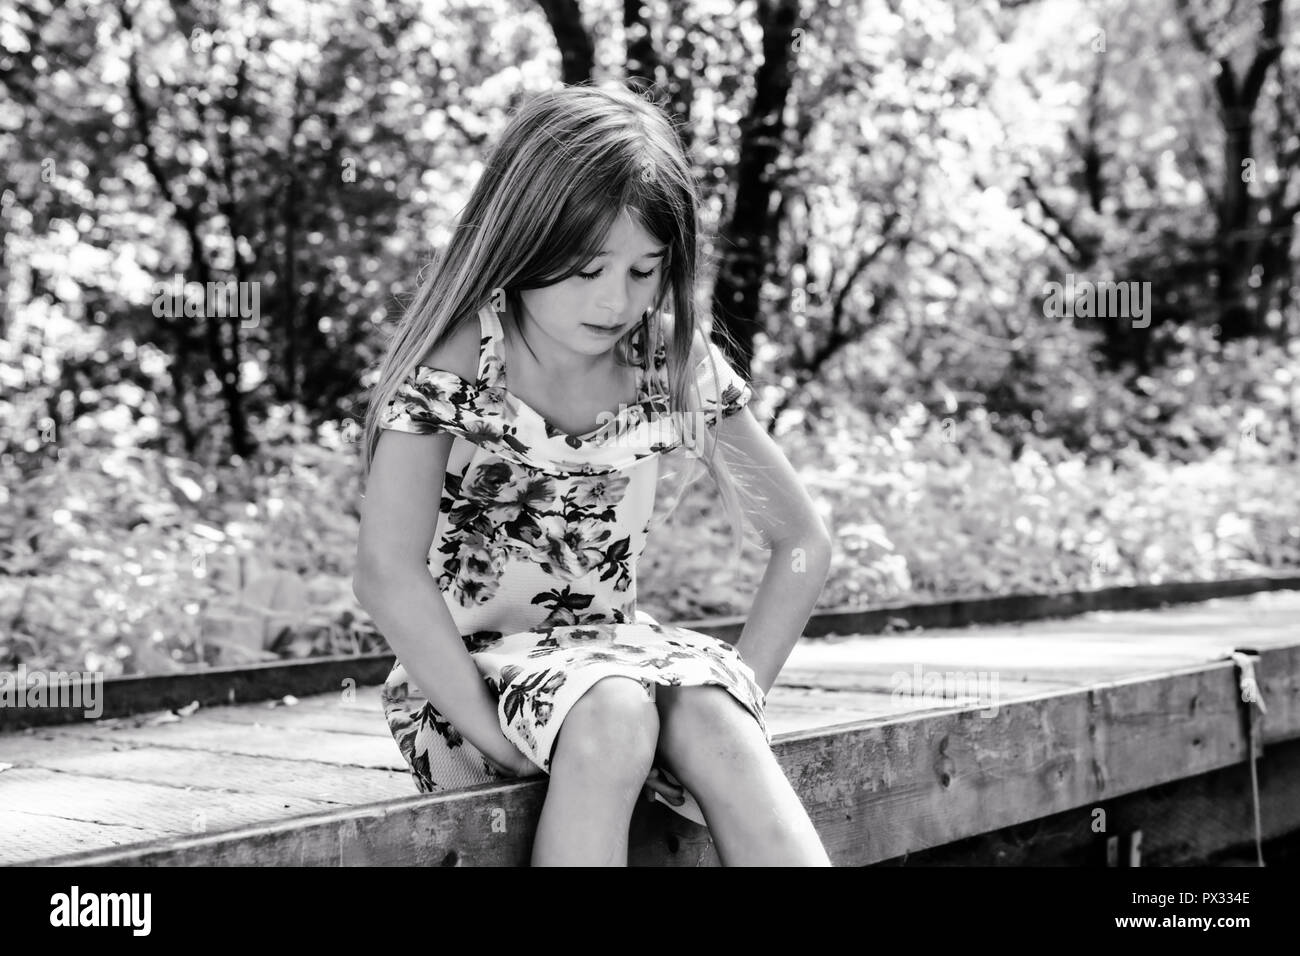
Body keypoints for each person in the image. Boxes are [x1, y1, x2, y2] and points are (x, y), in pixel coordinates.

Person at [354, 83, 833, 866]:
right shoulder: (461, 360)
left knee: (707, 712)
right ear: (521, 243)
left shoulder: (670, 363)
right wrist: (493, 737)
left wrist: (741, 700)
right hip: (468, 689)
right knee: (612, 712)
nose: (617, 300)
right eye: (584, 270)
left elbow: (802, 541)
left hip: (615, 664)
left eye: (646, 270)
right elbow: (385, 573)